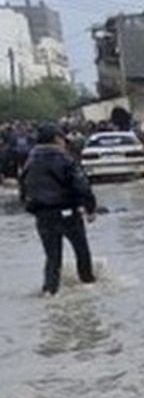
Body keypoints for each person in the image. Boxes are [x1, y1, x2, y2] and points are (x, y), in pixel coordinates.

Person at [18, 124, 98, 296]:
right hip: (67, 212)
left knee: (52, 258)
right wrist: (90, 208)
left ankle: (50, 291)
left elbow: (23, 188)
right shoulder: (65, 159)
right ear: (56, 139)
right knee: (82, 251)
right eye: (62, 139)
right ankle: (89, 285)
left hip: (43, 215)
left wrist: (33, 209)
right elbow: (82, 186)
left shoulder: (30, 160)